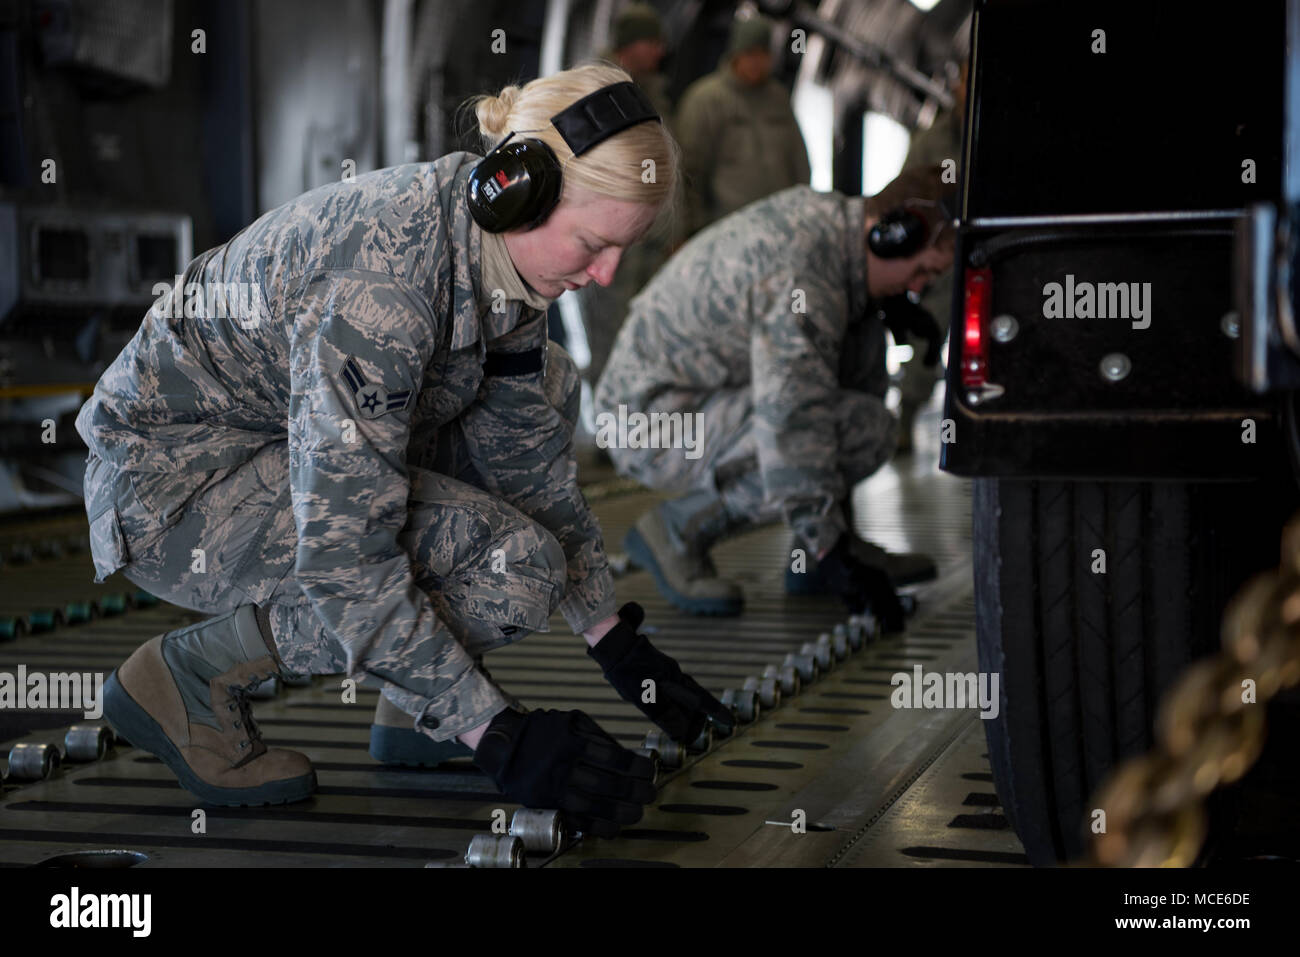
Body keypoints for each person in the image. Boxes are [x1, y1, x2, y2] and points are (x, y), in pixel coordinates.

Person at [75, 63, 731, 838]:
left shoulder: (504, 261)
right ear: (519, 191)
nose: (606, 272)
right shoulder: (385, 286)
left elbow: (528, 472)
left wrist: (613, 638)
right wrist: (495, 732)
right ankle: (187, 674)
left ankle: (414, 708)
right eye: (593, 244)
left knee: (543, 407)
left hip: (269, 453)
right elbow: (345, 557)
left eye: (624, 249)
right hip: (173, 487)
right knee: (515, 573)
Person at [595, 165, 954, 620]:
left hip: (701, 394)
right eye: (921, 270)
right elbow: (793, 419)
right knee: (861, 429)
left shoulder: (836, 237)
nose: (921, 287)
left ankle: (817, 551)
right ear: (889, 236)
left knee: (852, 375)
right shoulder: (804, 271)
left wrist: (881, 308)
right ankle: (677, 530)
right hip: (649, 422)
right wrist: (833, 553)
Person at [578, 3, 676, 393]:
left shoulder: (652, 90)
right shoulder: (594, 86)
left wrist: (673, 230)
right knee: (609, 331)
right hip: (608, 234)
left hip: (648, 237)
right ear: (631, 44)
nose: (659, 52)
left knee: (645, 331)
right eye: (651, 43)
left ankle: (638, 426)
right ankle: (609, 428)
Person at [674, 13, 810, 239]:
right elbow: (689, 171)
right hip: (727, 230)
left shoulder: (778, 98)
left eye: (763, 55)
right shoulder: (706, 99)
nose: (756, 63)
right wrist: (692, 230)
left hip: (779, 226)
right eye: (750, 54)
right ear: (735, 55)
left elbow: (798, 160)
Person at [896, 62, 967, 453]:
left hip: (1001, 252)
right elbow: (907, 194)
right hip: (945, 252)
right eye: (965, 80)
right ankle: (907, 414)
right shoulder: (932, 142)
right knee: (928, 330)